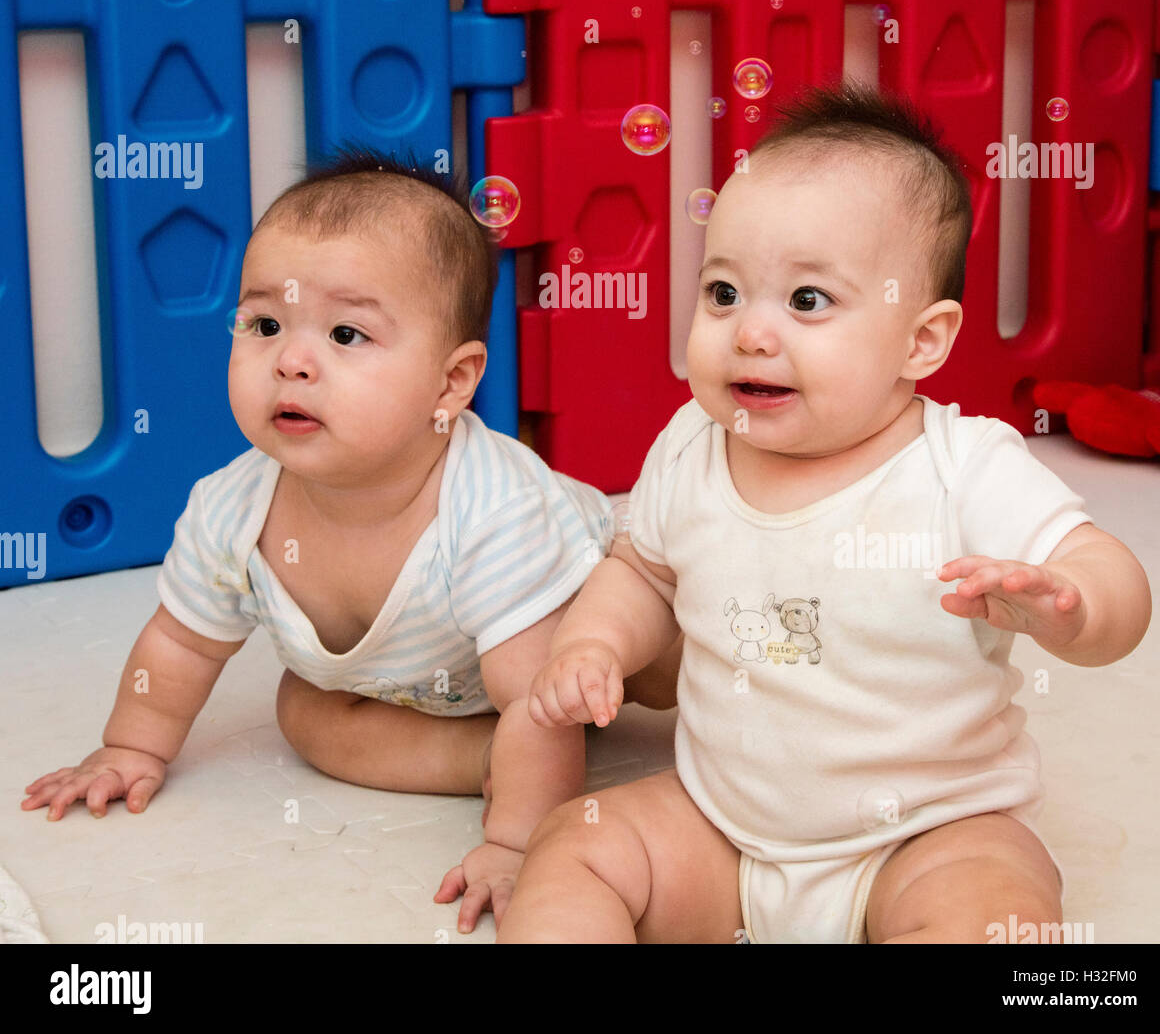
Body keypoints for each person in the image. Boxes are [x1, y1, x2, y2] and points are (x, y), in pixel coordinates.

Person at [499, 81, 1151, 944]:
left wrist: (1069, 602)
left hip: (926, 832)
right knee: (573, 850)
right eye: (723, 292)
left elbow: (1113, 584)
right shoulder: (692, 446)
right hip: (721, 826)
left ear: (920, 340)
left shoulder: (966, 466)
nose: (750, 334)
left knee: (992, 912)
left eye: (807, 301)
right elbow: (642, 573)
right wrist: (595, 643)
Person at [22, 146, 679, 935]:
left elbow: (537, 701)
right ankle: (487, 760)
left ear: (449, 383)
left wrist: (515, 844)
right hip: (429, 685)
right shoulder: (231, 509)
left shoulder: (492, 513)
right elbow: (179, 644)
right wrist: (130, 747)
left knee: (659, 653)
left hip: (573, 627)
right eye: (265, 323)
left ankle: (594, 723)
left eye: (345, 333)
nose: (292, 361)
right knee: (306, 717)